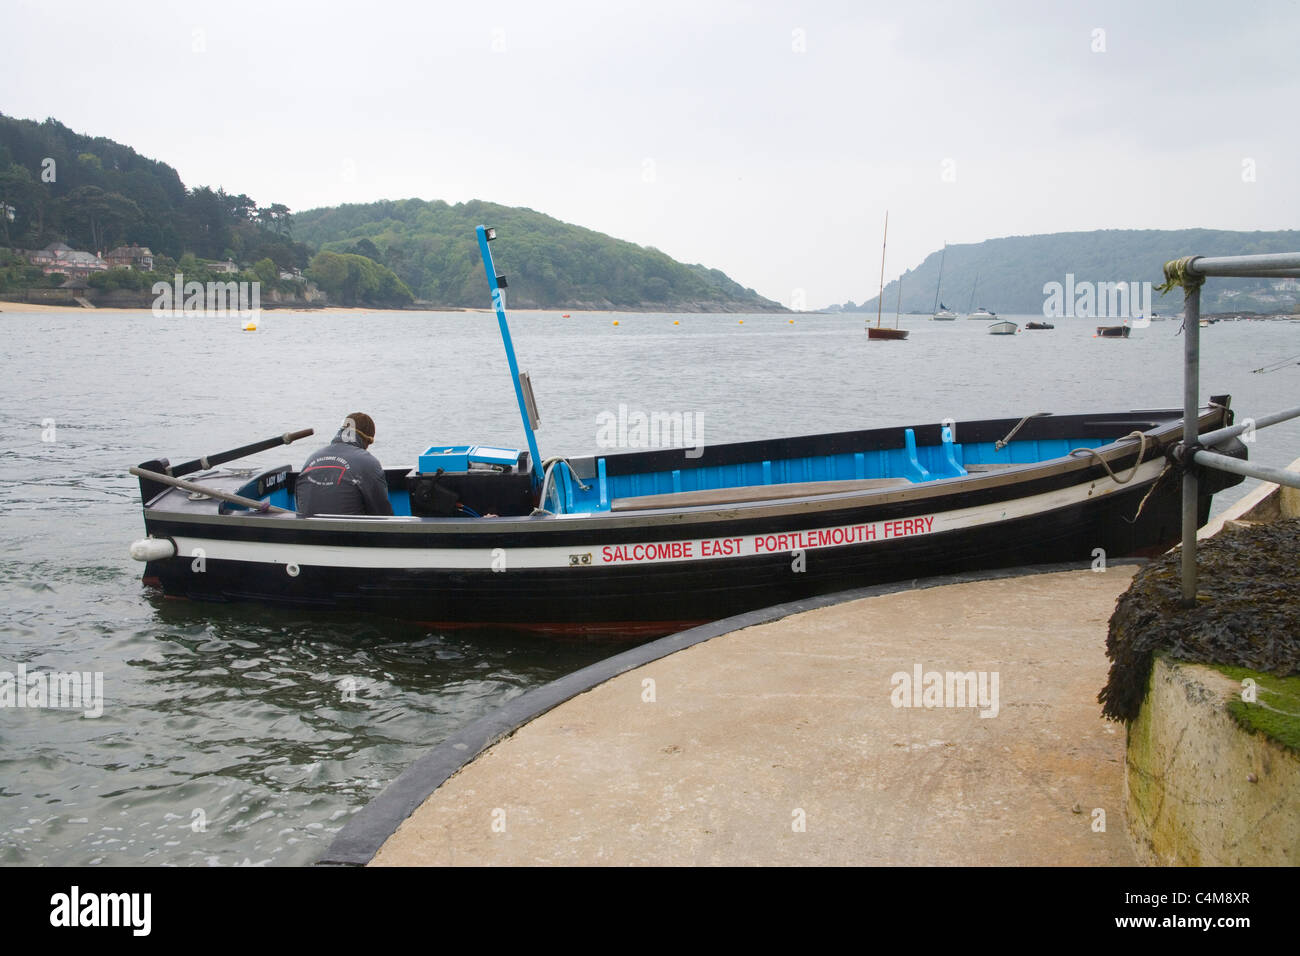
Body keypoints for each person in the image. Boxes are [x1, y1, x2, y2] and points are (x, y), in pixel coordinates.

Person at [296, 412, 394, 517]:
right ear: (367, 440)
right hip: (349, 532)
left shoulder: (312, 458)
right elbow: (382, 514)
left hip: (307, 531)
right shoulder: (368, 462)